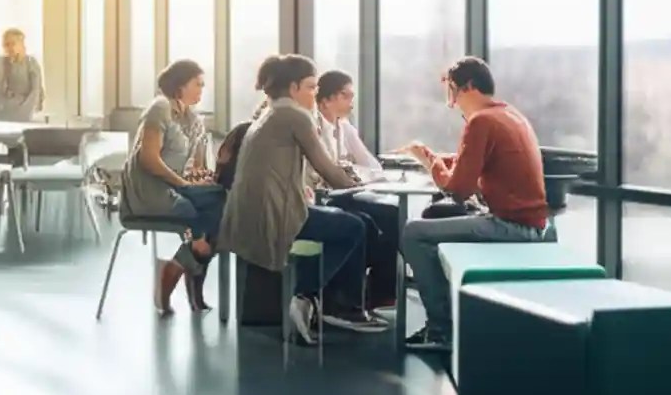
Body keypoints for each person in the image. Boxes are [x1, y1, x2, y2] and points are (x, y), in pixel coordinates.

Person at [219, 55, 386, 344]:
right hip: (275, 216)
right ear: (293, 87)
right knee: (355, 227)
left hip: (250, 214)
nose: (315, 94)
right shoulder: (295, 116)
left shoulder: (270, 113)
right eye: (311, 87)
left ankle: (332, 303)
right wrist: (358, 184)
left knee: (357, 222)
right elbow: (327, 169)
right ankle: (312, 296)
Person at [397, 56, 552, 352]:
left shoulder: (481, 121)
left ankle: (441, 329)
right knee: (436, 216)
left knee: (414, 232)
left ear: (467, 87)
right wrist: (434, 158)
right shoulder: (509, 115)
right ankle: (452, 317)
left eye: (452, 91)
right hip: (533, 224)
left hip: (512, 226)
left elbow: (457, 189)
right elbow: (470, 166)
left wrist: (429, 163)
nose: (452, 102)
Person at [121, 60, 225, 314]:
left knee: (222, 205)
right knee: (207, 215)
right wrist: (184, 184)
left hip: (175, 189)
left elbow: (192, 163)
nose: (202, 89)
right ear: (180, 86)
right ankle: (187, 268)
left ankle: (179, 264)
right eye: (197, 84)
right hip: (149, 192)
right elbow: (148, 159)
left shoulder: (193, 118)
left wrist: (197, 178)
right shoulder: (160, 108)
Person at [312, 70, 402, 308]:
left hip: (344, 192)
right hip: (323, 197)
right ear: (325, 100)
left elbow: (371, 165)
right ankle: (344, 297)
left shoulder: (344, 127)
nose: (351, 101)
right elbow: (322, 171)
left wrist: (355, 171)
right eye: (345, 95)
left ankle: (381, 292)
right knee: (365, 222)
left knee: (392, 214)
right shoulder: (313, 127)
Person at [0, 28, 44, 122]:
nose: (10, 48)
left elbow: (36, 91)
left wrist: (25, 113)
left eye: (13, 44)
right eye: (6, 44)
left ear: (21, 45)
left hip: (24, 112)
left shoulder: (31, 63)